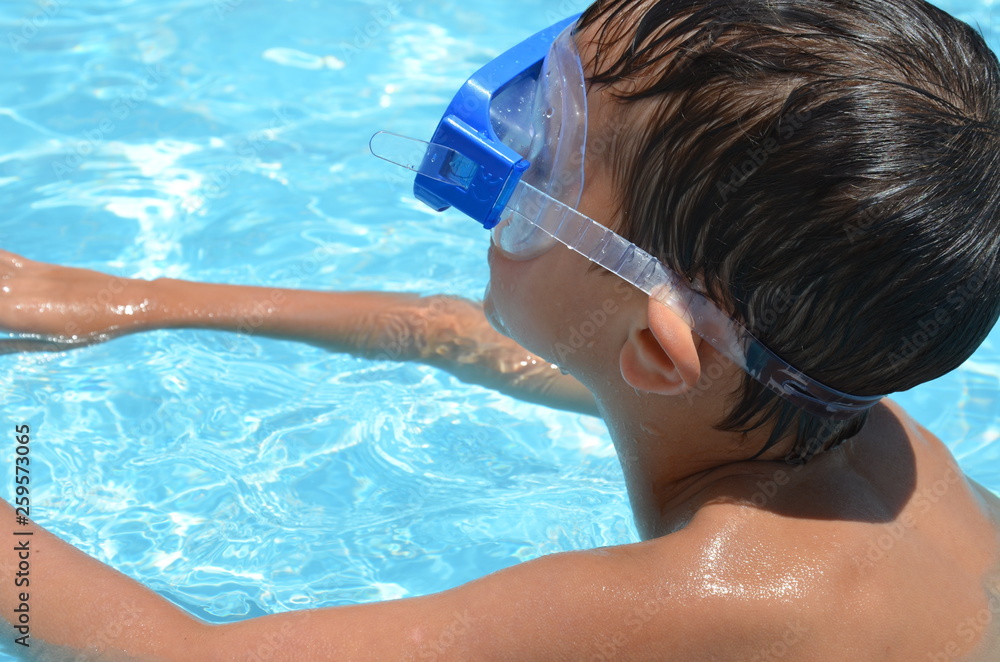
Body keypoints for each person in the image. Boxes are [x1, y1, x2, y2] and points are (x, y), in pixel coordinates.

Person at [2, 0, 1000, 659]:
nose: (504, 151)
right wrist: (127, 300)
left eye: (549, 161)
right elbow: (442, 332)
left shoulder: (718, 595)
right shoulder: (858, 431)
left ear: (658, 352)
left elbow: (178, 655)